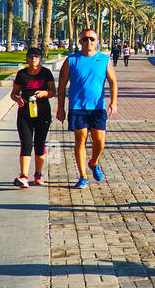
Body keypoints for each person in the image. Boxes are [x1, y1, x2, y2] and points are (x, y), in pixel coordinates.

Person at [57, 27, 119, 189]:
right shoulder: (71, 60)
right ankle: (83, 175)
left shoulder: (104, 60)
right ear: (80, 41)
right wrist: (60, 108)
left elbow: (113, 82)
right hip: (77, 107)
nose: (89, 42)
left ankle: (93, 162)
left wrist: (114, 102)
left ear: (97, 41)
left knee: (100, 141)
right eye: (85, 39)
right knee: (81, 140)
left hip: (98, 108)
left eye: (92, 39)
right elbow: (61, 87)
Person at [10, 47, 55, 188]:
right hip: (25, 114)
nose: (33, 59)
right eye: (31, 56)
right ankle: (23, 176)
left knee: (40, 143)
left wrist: (44, 94)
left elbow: (53, 91)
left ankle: (38, 175)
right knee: (26, 143)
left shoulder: (46, 73)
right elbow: (14, 93)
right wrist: (18, 99)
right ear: (27, 58)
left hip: (43, 113)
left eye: (36, 56)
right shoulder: (22, 74)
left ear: (40, 58)